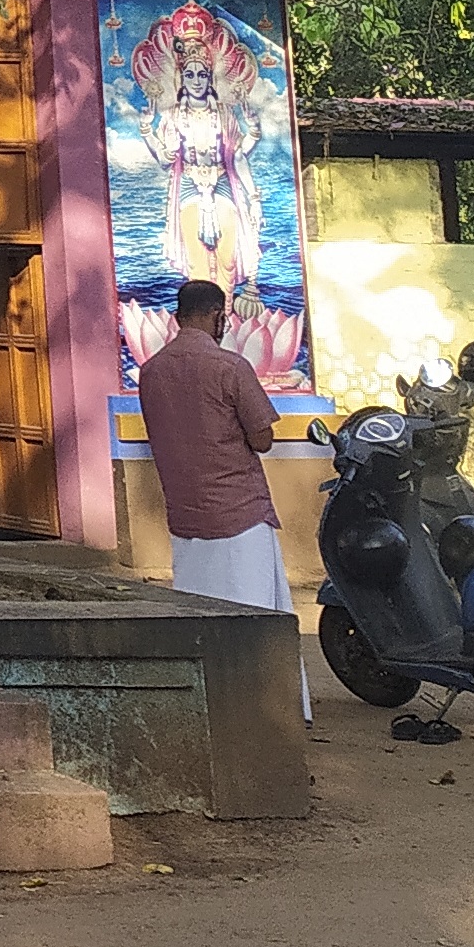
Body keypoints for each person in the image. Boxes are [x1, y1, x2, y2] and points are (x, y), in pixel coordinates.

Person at [137, 277, 309, 717]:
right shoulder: (230, 367)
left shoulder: (152, 371)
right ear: (218, 316)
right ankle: (264, 707)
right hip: (239, 512)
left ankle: (208, 704)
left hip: (186, 516)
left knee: (198, 613)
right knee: (255, 618)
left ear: (176, 318)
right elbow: (263, 438)